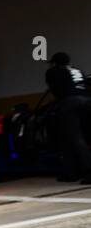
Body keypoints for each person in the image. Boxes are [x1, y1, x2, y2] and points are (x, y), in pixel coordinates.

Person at [45, 52, 91, 183]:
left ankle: (87, 171)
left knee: (75, 137)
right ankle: (70, 172)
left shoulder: (53, 71)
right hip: (87, 102)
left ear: (54, 63)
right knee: (71, 138)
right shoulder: (77, 70)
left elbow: (54, 91)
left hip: (70, 103)